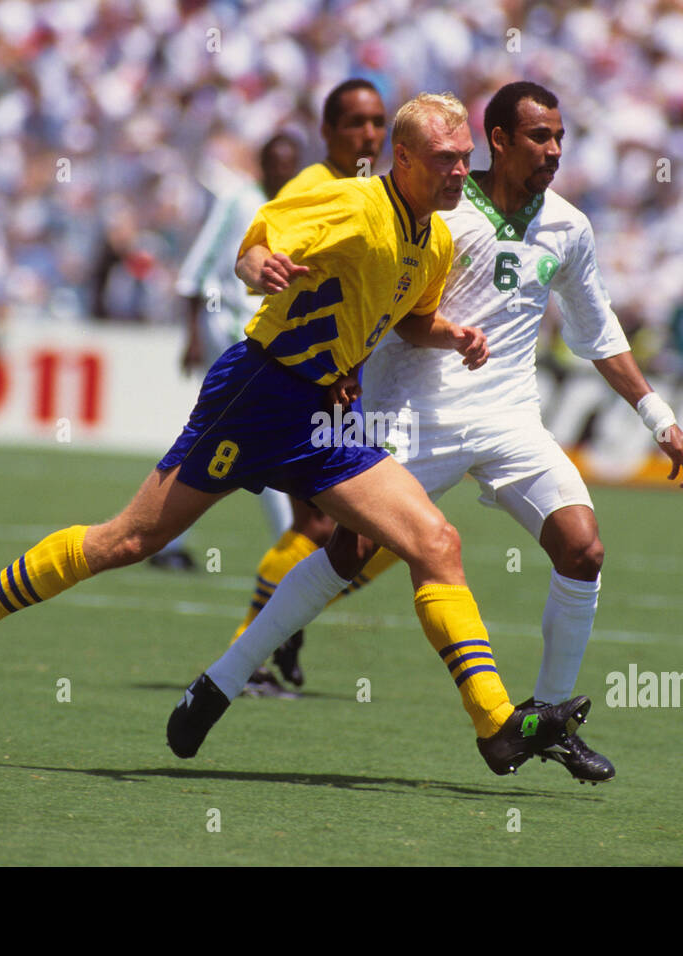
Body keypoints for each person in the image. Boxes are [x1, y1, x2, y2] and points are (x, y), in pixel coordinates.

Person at [0, 93, 592, 776]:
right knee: (129, 539)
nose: (458, 173)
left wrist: (451, 333)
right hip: (257, 392)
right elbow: (258, 241)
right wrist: (257, 267)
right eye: (446, 160)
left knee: (434, 542)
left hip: (323, 415)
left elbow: (409, 317)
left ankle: (497, 725)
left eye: (465, 159)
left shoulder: (436, 237)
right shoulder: (354, 205)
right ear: (405, 158)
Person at [175, 81, 683, 782]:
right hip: (411, 415)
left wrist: (658, 419)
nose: (553, 151)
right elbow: (371, 296)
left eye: (560, 138)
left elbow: (597, 331)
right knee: (348, 552)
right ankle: (223, 677)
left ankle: (544, 721)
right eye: (539, 138)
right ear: (497, 140)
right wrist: (341, 373)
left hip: (512, 420)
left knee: (583, 550)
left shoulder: (568, 227)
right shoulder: (440, 213)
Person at [225, 78, 392, 693]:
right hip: (297, 383)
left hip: (341, 383)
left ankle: (278, 633)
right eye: (356, 123)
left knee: (363, 534)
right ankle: (254, 649)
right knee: (329, 530)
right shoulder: (313, 189)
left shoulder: (372, 190)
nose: (370, 134)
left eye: (378, 122)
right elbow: (260, 254)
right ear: (328, 132)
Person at [147, 132, 302, 572]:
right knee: (260, 436)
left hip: (264, 332)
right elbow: (202, 262)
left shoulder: (296, 205)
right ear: (262, 165)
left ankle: (166, 540)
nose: (282, 171)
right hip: (230, 328)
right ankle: (289, 549)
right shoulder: (240, 201)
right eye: (275, 162)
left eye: (290, 163)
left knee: (222, 435)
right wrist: (193, 333)